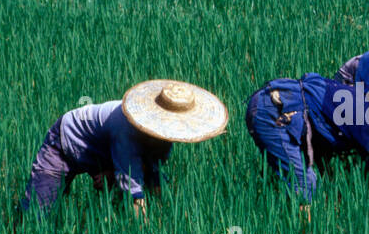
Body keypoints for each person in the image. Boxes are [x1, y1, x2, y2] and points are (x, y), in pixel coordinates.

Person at [19, 80, 227, 219]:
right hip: (64, 143)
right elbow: (134, 191)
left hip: (105, 149)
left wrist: (169, 218)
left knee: (119, 200)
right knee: (38, 214)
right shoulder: (127, 130)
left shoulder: (165, 135)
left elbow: (152, 174)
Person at [245, 66, 369, 202]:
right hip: (275, 110)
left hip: (278, 103)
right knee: (305, 185)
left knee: (316, 178)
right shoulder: (368, 121)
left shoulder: (365, 103)